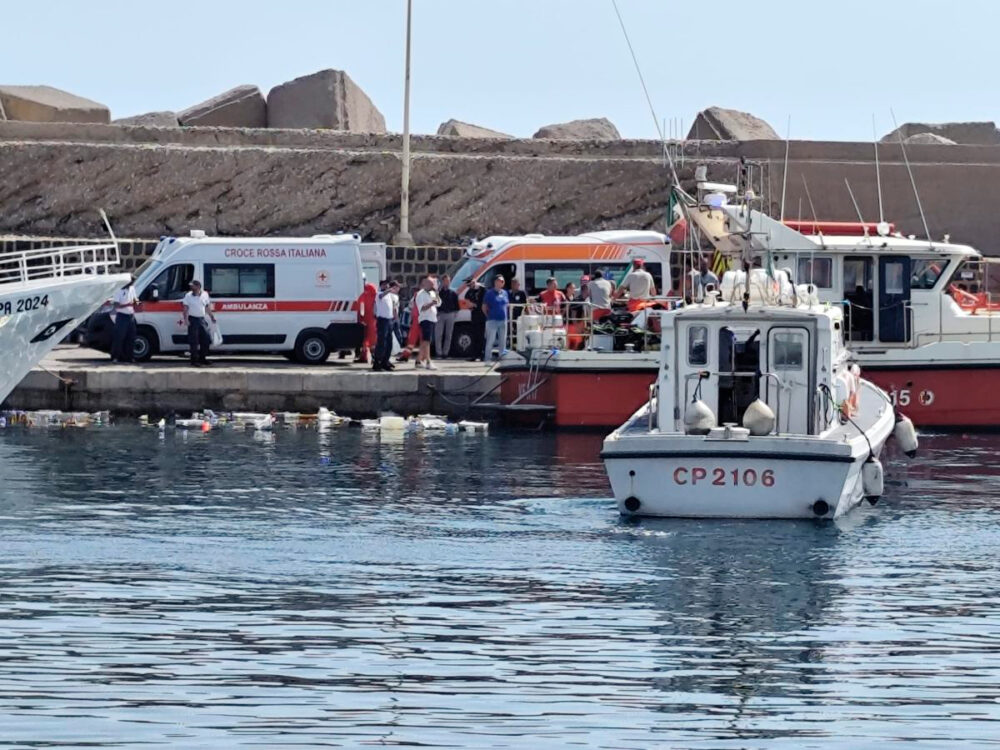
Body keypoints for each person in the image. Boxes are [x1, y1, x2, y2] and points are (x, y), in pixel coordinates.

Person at [181, 280, 216, 367]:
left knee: (206, 339)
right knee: (194, 342)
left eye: (193, 286)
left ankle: (202, 358)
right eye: (191, 286)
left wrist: (212, 316)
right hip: (193, 320)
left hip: (202, 319)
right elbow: (185, 308)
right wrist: (186, 320)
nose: (191, 288)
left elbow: (207, 307)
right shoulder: (188, 296)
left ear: (198, 287)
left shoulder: (205, 294)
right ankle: (194, 361)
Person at [110, 276, 139, 363]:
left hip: (130, 316)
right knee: (119, 338)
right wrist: (127, 305)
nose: (132, 284)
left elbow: (135, 300)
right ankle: (115, 357)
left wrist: (137, 304)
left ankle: (130, 357)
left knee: (131, 338)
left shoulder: (132, 289)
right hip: (122, 316)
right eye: (131, 282)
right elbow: (116, 305)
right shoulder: (118, 290)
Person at [373, 279, 400, 371]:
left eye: (387, 285)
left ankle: (385, 361)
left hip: (389, 320)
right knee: (381, 342)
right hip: (382, 320)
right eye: (384, 285)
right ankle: (377, 362)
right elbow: (381, 295)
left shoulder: (389, 296)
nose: (387, 286)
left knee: (389, 342)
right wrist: (389, 290)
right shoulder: (379, 294)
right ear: (381, 286)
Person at [414, 276, 440, 369]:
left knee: (425, 341)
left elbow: (439, 303)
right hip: (425, 319)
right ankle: (428, 361)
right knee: (426, 341)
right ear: (425, 283)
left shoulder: (432, 292)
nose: (432, 285)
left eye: (433, 283)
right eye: (431, 283)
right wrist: (432, 303)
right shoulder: (420, 294)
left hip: (432, 318)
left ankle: (418, 360)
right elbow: (422, 308)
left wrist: (436, 293)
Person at [482, 275, 509, 362]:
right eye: (498, 281)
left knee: (502, 342)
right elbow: (484, 307)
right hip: (492, 320)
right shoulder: (489, 293)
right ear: (495, 282)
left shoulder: (505, 293)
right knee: (490, 341)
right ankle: (487, 359)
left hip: (503, 320)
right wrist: (488, 316)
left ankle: (502, 359)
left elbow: (506, 305)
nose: (500, 283)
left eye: (501, 281)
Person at [435, 274, 459, 359]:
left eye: (448, 281)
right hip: (440, 314)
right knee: (438, 334)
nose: (447, 283)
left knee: (448, 335)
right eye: (445, 281)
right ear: (442, 282)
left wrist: (455, 314)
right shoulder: (439, 293)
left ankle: (446, 353)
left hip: (450, 314)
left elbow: (457, 306)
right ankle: (439, 353)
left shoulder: (453, 293)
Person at [463, 279, 487, 361]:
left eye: (471, 284)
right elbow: (466, 299)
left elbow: (484, 302)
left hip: (482, 315)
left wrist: (474, 304)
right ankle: (474, 355)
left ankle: (482, 355)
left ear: (474, 282)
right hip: (474, 315)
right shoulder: (470, 291)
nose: (470, 287)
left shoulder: (482, 289)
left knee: (482, 336)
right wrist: (470, 305)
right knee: (474, 335)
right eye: (469, 285)